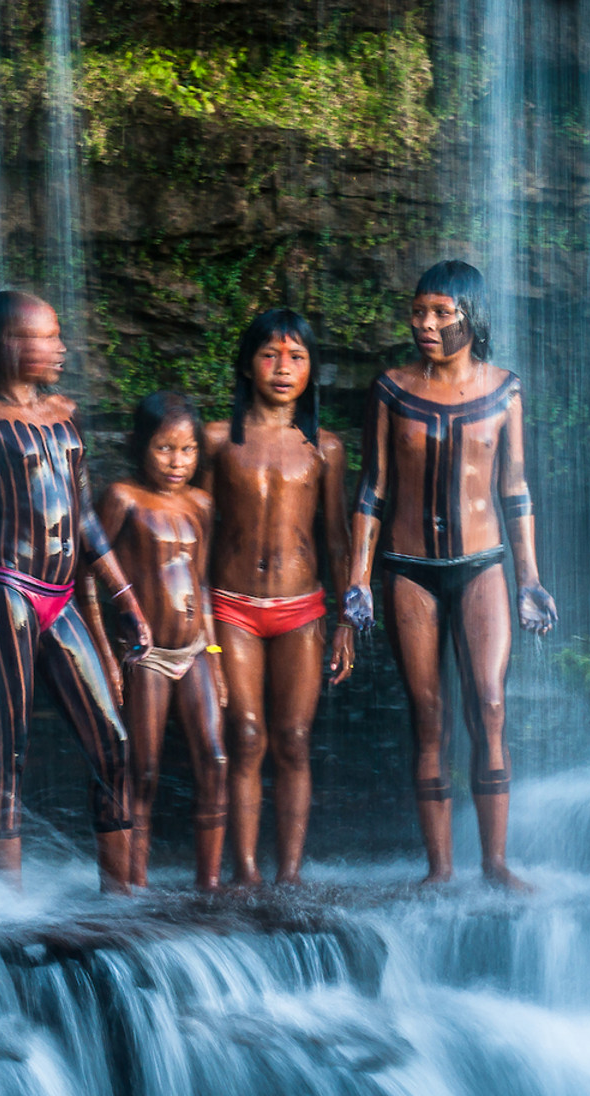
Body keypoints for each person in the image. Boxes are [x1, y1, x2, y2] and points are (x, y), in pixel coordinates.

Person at [0, 290, 153, 892]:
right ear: (9, 344)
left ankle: (121, 896)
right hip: (3, 591)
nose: (62, 348)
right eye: (49, 337)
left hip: (61, 596)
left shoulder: (66, 417)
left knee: (113, 740)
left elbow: (85, 520)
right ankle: (9, 904)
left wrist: (126, 600)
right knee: (11, 744)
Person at [343, 261, 555, 891]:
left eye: (441, 313)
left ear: (473, 317)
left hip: (482, 563)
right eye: (418, 312)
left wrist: (531, 579)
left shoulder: (504, 390)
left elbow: (515, 488)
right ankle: (439, 869)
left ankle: (494, 863)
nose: (425, 324)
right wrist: (357, 580)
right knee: (427, 712)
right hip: (409, 568)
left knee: (488, 704)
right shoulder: (391, 389)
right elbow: (373, 490)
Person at [199, 309, 355, 887]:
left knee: (292, 738)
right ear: (247, 364)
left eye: (296, 357)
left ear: (312, 370)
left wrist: (346, 621)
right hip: (229, 612)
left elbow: (337, 539)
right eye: (270, 354)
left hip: (303, 611)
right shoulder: (217, 440)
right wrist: (202, 633)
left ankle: (288, 876)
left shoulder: (324, 448)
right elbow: (199, 533)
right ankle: (244, 873)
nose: (283, 368)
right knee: (244, 733)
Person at [83, 391, 230, 891]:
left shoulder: (201, 503)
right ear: (139, 446)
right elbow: (89, 574)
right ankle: (136, 885)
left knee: (214, 756)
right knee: (142, 767)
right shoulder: (123, 498)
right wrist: (104, 651)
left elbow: (203, 582)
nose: (177, 462)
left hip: (195, 652)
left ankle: (208, 885)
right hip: (146, 655)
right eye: (165, 449)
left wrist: (216, 658)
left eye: (187, 450)